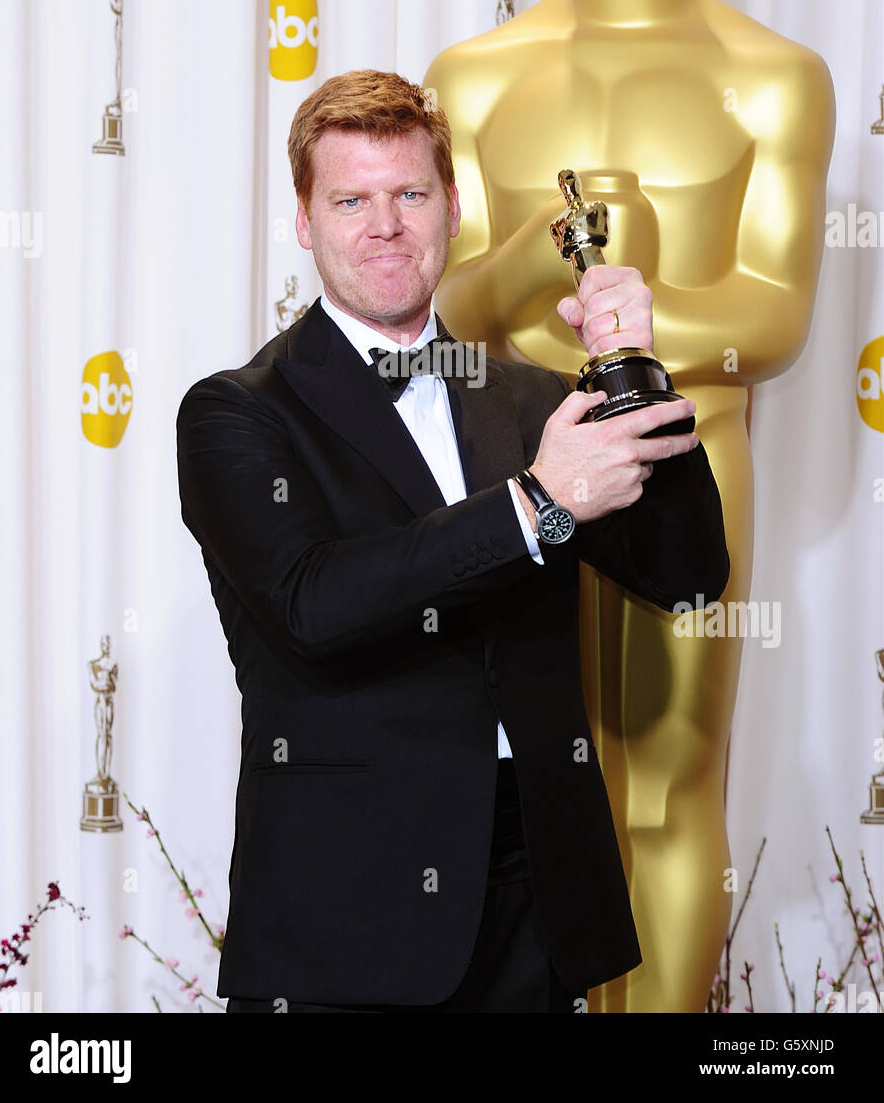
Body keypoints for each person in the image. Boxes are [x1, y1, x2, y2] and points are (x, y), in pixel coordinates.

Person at [175, 68, 729, 1013]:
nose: (384, 224)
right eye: (351, 199)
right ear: (305, 221)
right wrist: (536, 502)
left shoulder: (527, 398)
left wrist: (634, 367)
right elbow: (315, 602)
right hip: (349, 908)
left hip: (535, 892)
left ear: (453, 209)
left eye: (409, 194)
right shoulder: (237, 412)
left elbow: (687, 576)